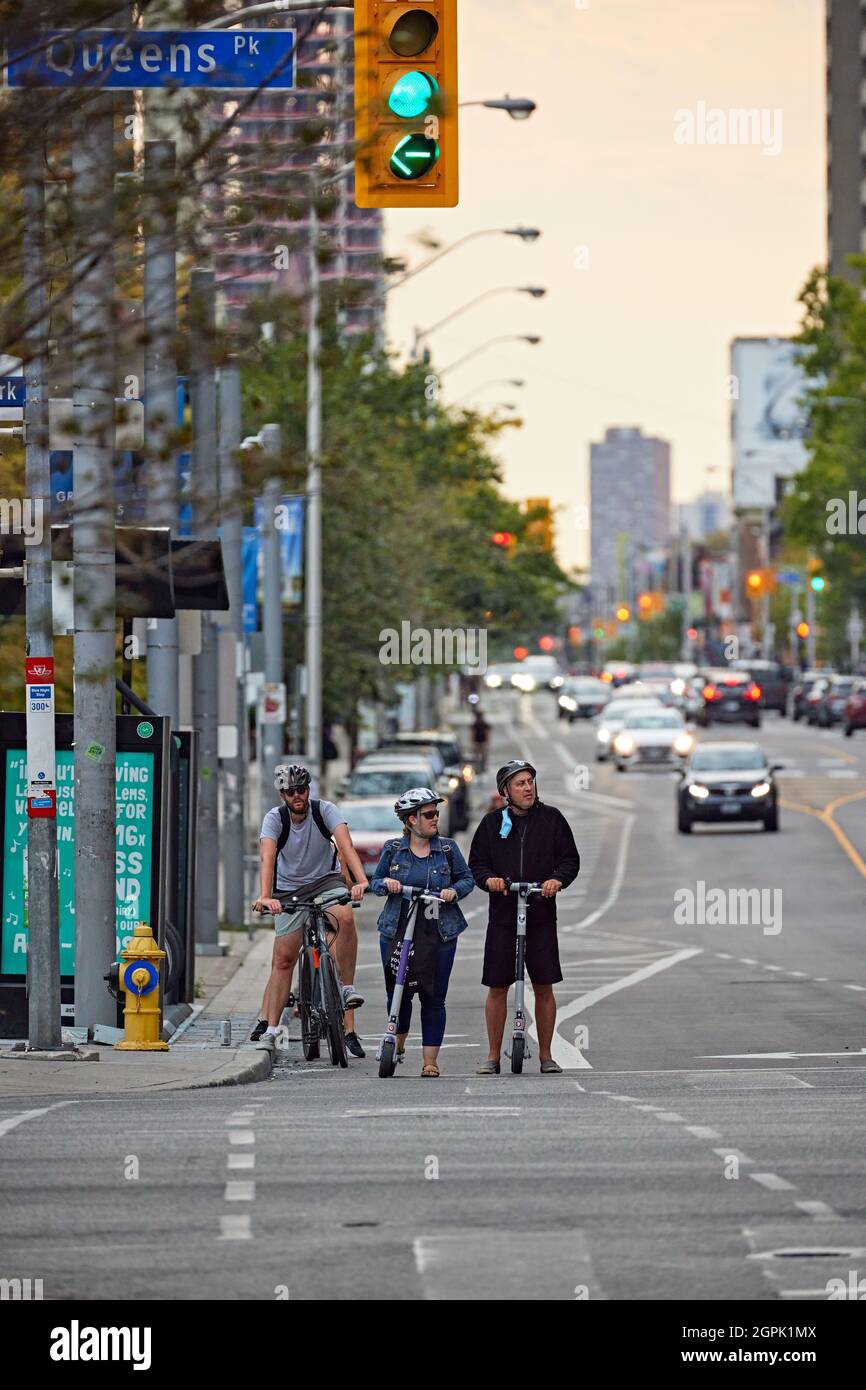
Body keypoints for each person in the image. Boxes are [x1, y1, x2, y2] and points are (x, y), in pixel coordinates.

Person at [468, 759, 580, 1075]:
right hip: (503, 916)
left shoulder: (552, 820)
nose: (528, 787)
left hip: (541, 914)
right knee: (497, 986)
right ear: (506, 790)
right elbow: (476, 863)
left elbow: (569, 860)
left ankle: (546, 1055)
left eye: (531, 781)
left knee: (544, 985)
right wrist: (489, 879)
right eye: (520, 783)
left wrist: (556, 880)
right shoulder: (492, 824)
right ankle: (492, 1056)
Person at [251, 764, 368, 1058]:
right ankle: (271, 1030)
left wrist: (361, 880)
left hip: (325, 881)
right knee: (283, 958)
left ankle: (345, 988)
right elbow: (267, 856)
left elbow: (345, 844)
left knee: (345, 917)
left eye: (301, 790)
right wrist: (266, 896)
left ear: (309, 790)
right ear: (282, 795)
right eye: (290, 792)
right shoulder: (274, 819)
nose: (297, 796)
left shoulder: (325, 810)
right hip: (289, 890)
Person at [371, 787, 475, 1077]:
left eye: (436, 813)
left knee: (433, 997)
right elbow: (375, 881)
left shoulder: (447, 849)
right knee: (399, 993)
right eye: (428, 814)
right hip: (397, 930)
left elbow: (467, 879)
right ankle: (397, 1041)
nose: (435, 819)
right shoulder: (393, 850)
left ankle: (430, 1062)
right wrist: (386, 885)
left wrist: (453, 891)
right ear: (410, 821)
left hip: (439, 932)